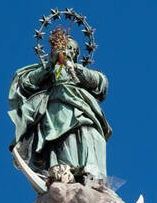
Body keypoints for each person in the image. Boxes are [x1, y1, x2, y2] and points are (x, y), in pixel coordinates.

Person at [8, 25, 111, 182]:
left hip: (87, 110)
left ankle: (94, 178)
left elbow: (101, 84)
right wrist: (50, 64)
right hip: (59, 109)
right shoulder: (49, 71)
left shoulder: (81, 71)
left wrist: (75, 69)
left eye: (70, 49)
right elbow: (25, 83)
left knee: (92, 138)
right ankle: (66, 177)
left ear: (76, 54)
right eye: (63, 48)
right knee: (65, 140)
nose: (66, 51)